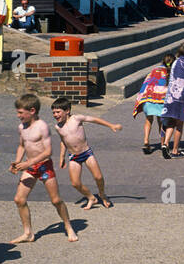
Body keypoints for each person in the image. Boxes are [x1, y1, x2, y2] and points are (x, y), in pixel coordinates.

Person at [8, 93, 78, 244]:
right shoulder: (22, 127)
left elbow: (48, 152)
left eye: (20, 112)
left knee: (56, 200)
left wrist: (28, 163)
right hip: (30, 168)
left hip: (44, 168)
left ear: (32, 111)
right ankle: (28, 233)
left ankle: (68, 225)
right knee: (19, 199)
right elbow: (22, 145)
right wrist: (17, 162)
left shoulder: (42, 127)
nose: (18, 115)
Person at [52, 97, 119, 209]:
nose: (55, 115)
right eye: (53, 112)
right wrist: (61, 157)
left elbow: (95, 120)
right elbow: (63, 141)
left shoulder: (76, 118)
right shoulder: (58, 127)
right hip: (73, 157)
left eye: (58, 112)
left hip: (86, 153)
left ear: (67, 111)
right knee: (75, 183)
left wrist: (111, 125)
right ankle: (91, 197)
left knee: (98, 177)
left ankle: (102, 194)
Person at [134, 53, 173, 153]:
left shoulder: (154, 70)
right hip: (161, 100)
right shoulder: (170, 72)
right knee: (161, 121)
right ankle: (162, 143)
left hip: (148, 98)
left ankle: (146, 140)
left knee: (148, 120)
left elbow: (146, 83)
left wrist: (140, 99)